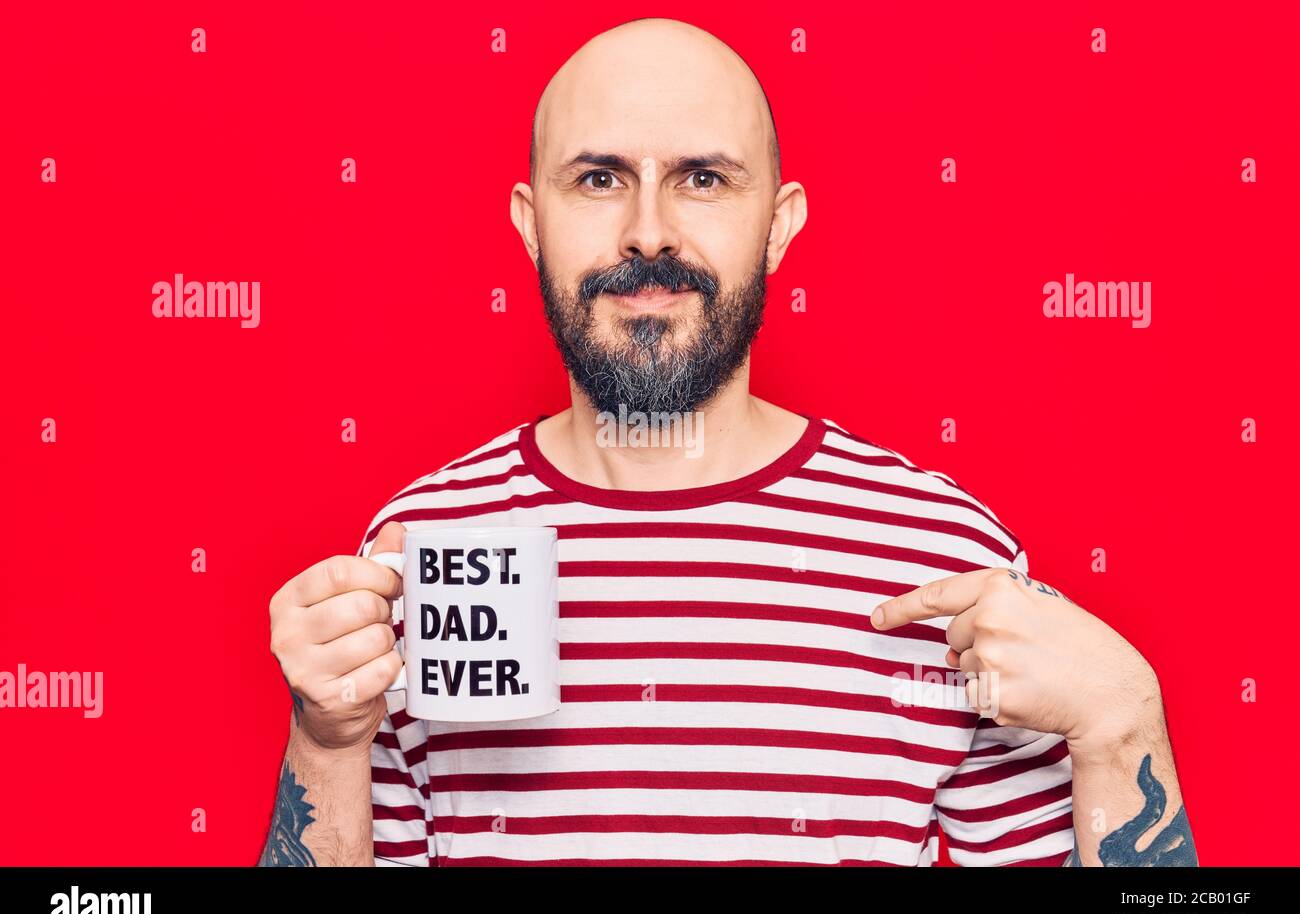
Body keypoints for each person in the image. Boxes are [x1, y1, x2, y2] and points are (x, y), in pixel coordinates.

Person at [260, 17, 1195, 867]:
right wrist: (327, 740)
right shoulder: (421, 545)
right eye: (598, 179)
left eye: (702, 179)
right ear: (529, 225)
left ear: (778, 226)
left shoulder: (940, 560)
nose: (649, 234)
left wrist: (1124, 724)